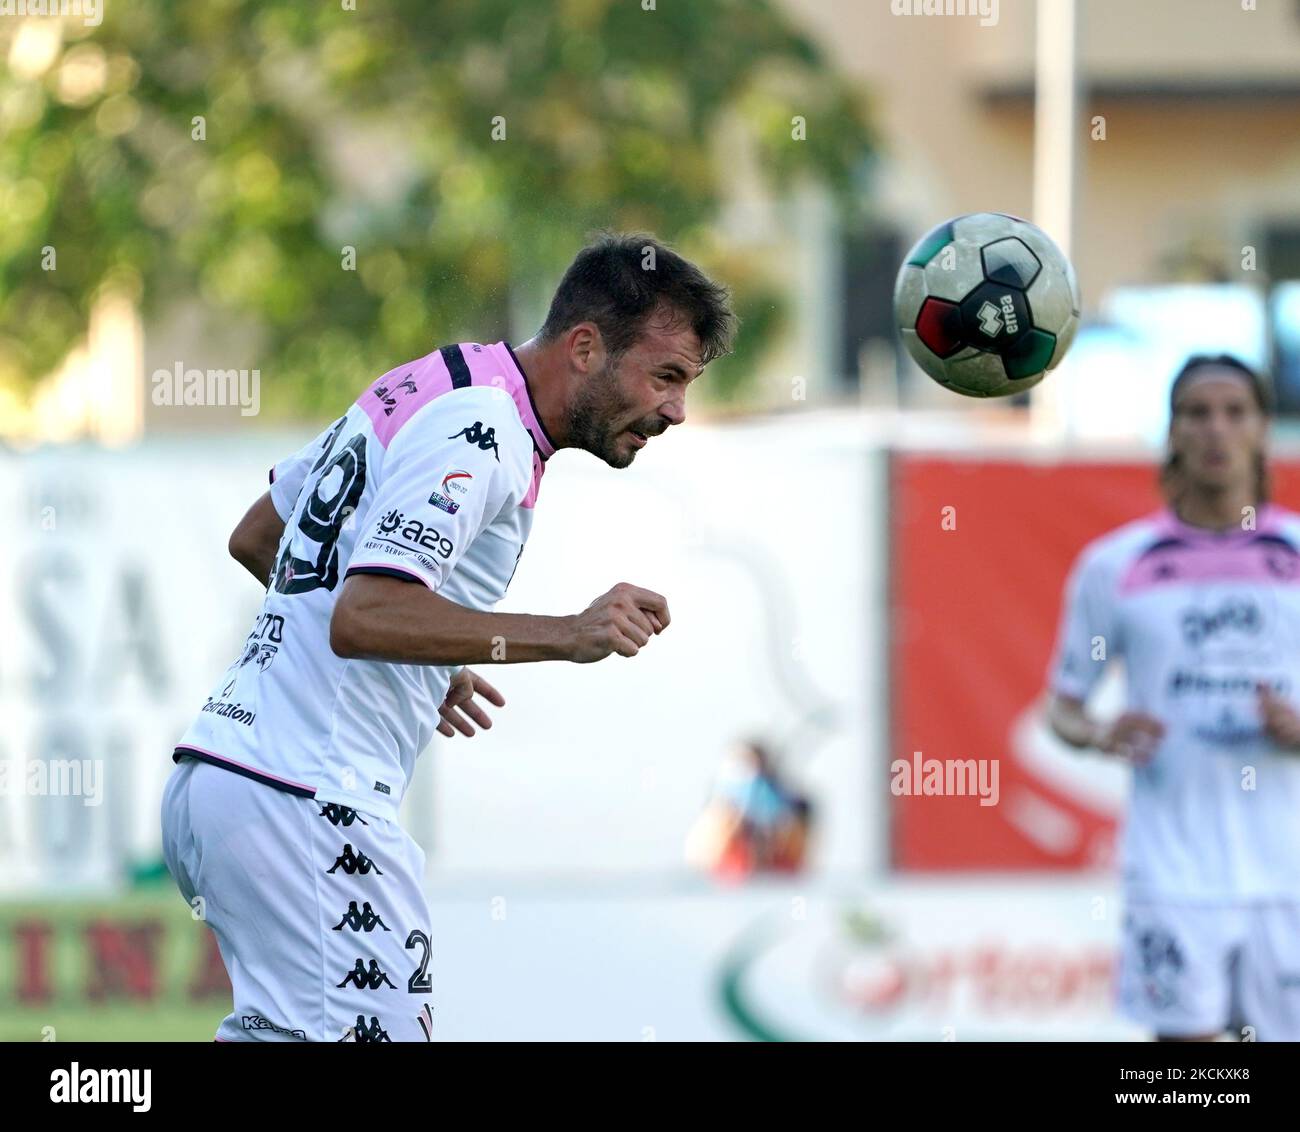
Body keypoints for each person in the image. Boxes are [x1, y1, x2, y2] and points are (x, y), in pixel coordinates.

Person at [160, 232, 737, 1041]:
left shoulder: (431, 382)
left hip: (228, 778)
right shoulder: (486, 429)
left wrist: (426, 656)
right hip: (307, 795)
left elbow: (262, 537)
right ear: (584, 346)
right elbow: (366, 615)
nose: (677, 409)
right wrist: (567, 632)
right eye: (666, 376)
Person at [1044, 354, 1300, 1042]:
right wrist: (1098, 733)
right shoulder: (1116, 565)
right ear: (1173, 431)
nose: (1216, 428)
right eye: (1197, 412)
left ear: (1260, 429)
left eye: (1234, 411)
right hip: (1174, 873)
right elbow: (1062, 704)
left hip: (1289, 877)